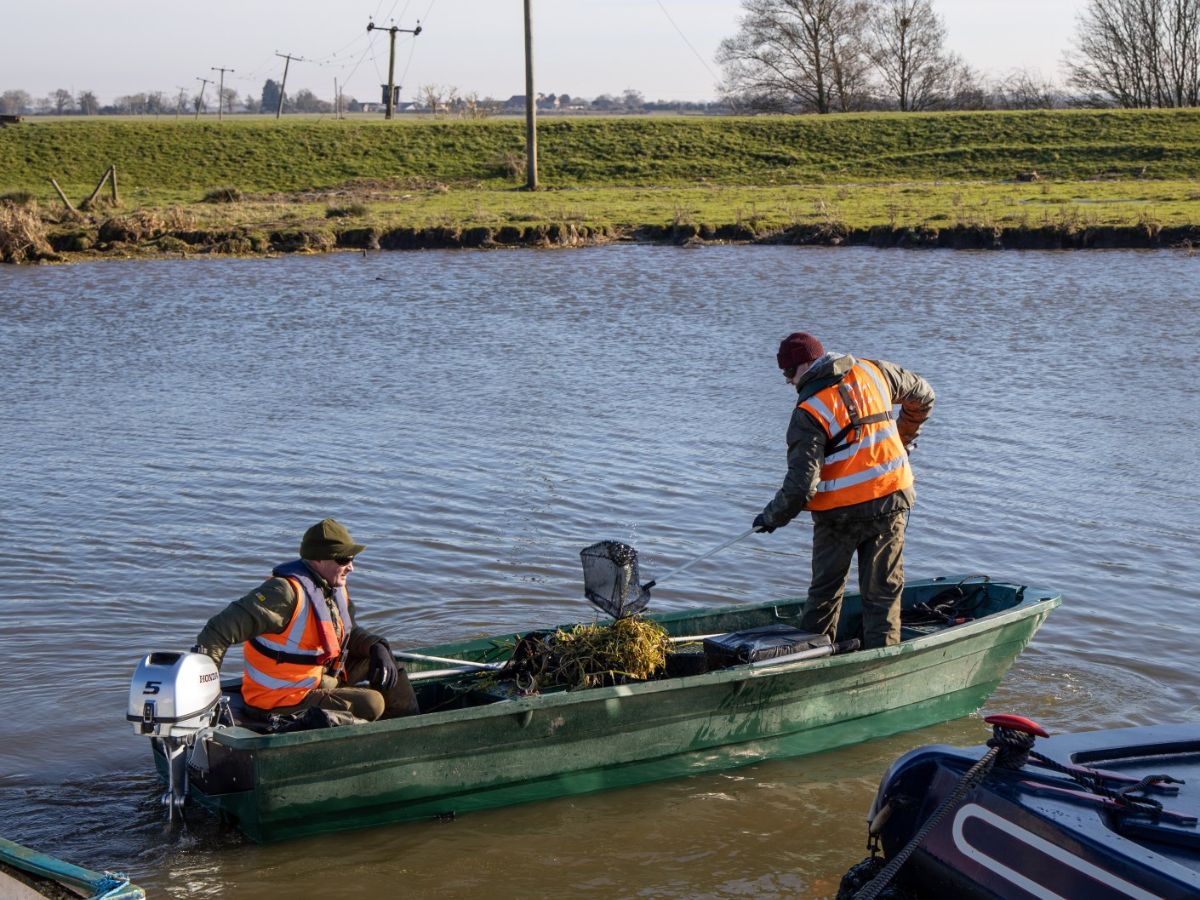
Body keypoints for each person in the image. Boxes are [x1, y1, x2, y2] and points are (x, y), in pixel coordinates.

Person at [752, 332, 935, 649]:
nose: (786, 381)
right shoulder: (874, 371)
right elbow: (924, 395)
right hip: (891, 499)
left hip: (839, 514)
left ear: (807, 364)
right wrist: (902, 440)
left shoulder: (808, 412)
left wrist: (772, 516)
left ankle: (809, 663)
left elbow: (801, 486)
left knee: (824, 595)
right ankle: (881, 664)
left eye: (787, 372)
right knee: (882, 594)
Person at [192, 517, 419, 722]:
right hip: (280, 698)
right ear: (318, 560)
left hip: (318, 679)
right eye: (343, 559)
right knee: (372, 703)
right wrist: (204, 695)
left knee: (388, 663)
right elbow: (216, 632)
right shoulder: (283, 594)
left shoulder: (333, 587)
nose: (351, 567)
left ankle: (410, 729)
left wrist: (376, 645)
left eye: (351, 558)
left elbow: (346, 633)